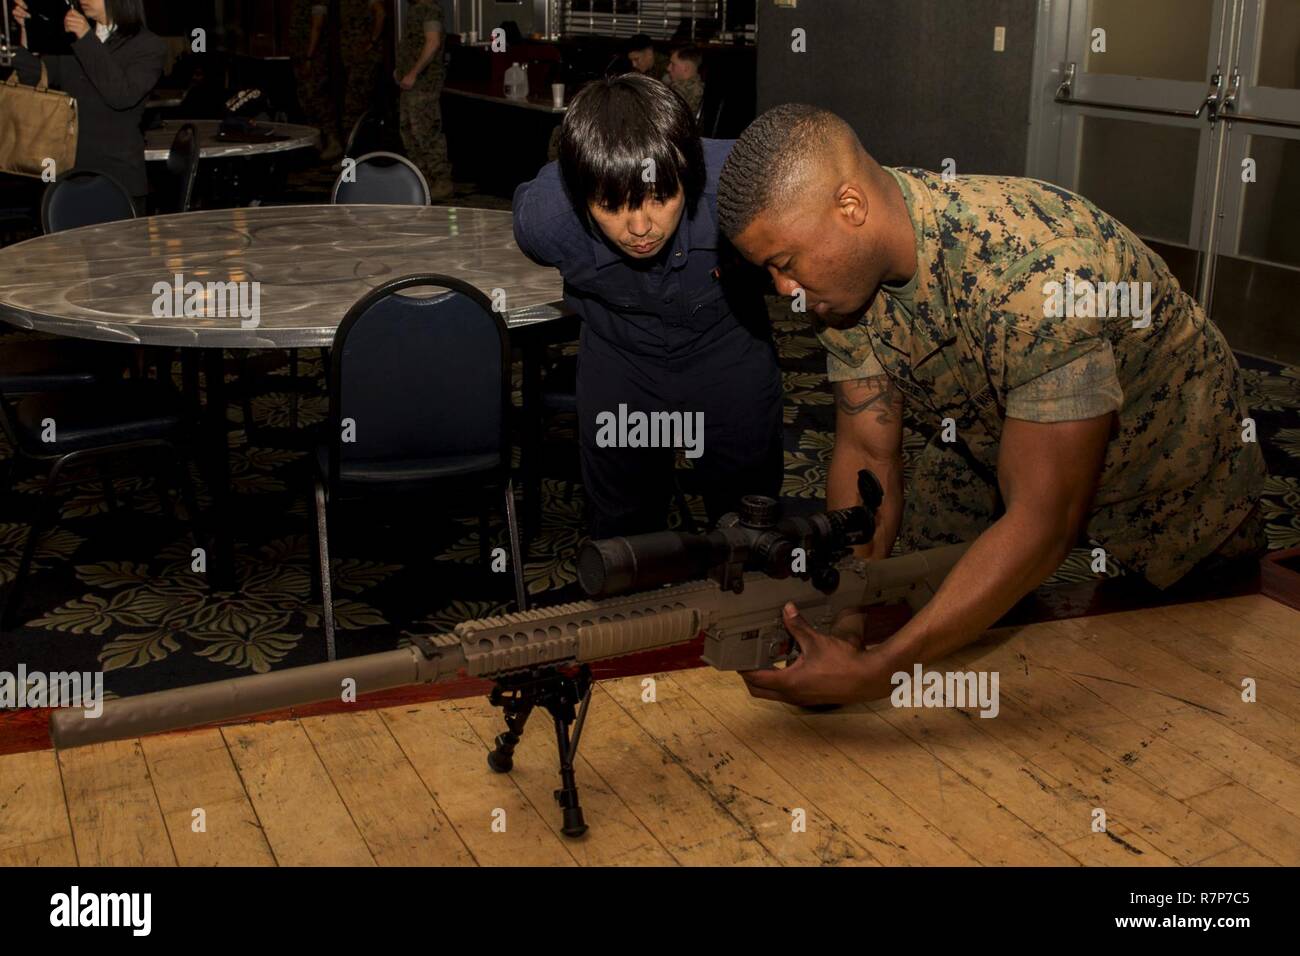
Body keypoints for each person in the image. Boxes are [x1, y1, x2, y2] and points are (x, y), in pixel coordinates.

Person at [715, 104, 1267, 706]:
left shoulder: (1036, 275)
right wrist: (848, 617)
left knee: (1183, 674)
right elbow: (867, 452)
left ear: (850, 207)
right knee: (929, 602)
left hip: (1172, 472)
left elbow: (1045, 518)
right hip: (991, 435)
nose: (784, 291)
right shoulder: (845, 284)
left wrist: (882, 672)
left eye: (785, 264)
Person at [513, 74, 783, 538]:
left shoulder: (745, 190)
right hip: (622, 361)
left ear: (690, 178)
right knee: (623, 527)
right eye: (613, 204)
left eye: (661, 198)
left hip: (727, 350)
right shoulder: (544, 223)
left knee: (748, 519)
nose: (641, 227)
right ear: (580, 196)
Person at [9, 0, 165, 211]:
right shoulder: (71, 39)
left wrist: (85, 37)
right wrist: (26, 33)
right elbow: (38, 77)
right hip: (69, 174)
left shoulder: (147, 45)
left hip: (117, 176)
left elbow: (121, 96)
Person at [395, 0, 451, 199]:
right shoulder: (416, 10)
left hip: (424, 84)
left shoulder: (429, 9)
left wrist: (413, 73)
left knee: (425, 132)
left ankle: (440, 180)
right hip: (411, 85)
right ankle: (422, 179)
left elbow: (433, 42)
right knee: (409, 131)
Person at [290, 0, 341, 161]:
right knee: (306, 99)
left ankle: (333, 141)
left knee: (318, 98)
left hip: (314, 59)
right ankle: (316, 142)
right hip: (300, 55)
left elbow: (317, 25)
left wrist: (309, 57)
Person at [340, 0, 386, 145]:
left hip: (364, 62)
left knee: (355, 107)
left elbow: (381, 13)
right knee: (355, 106)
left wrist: (372, 41)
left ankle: (355, 153)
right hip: (353, 60)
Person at [667, 45, 704, 116]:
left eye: (673, 64)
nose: (668, 68)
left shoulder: (682, 91)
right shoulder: (698, 87)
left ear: (686, 68)